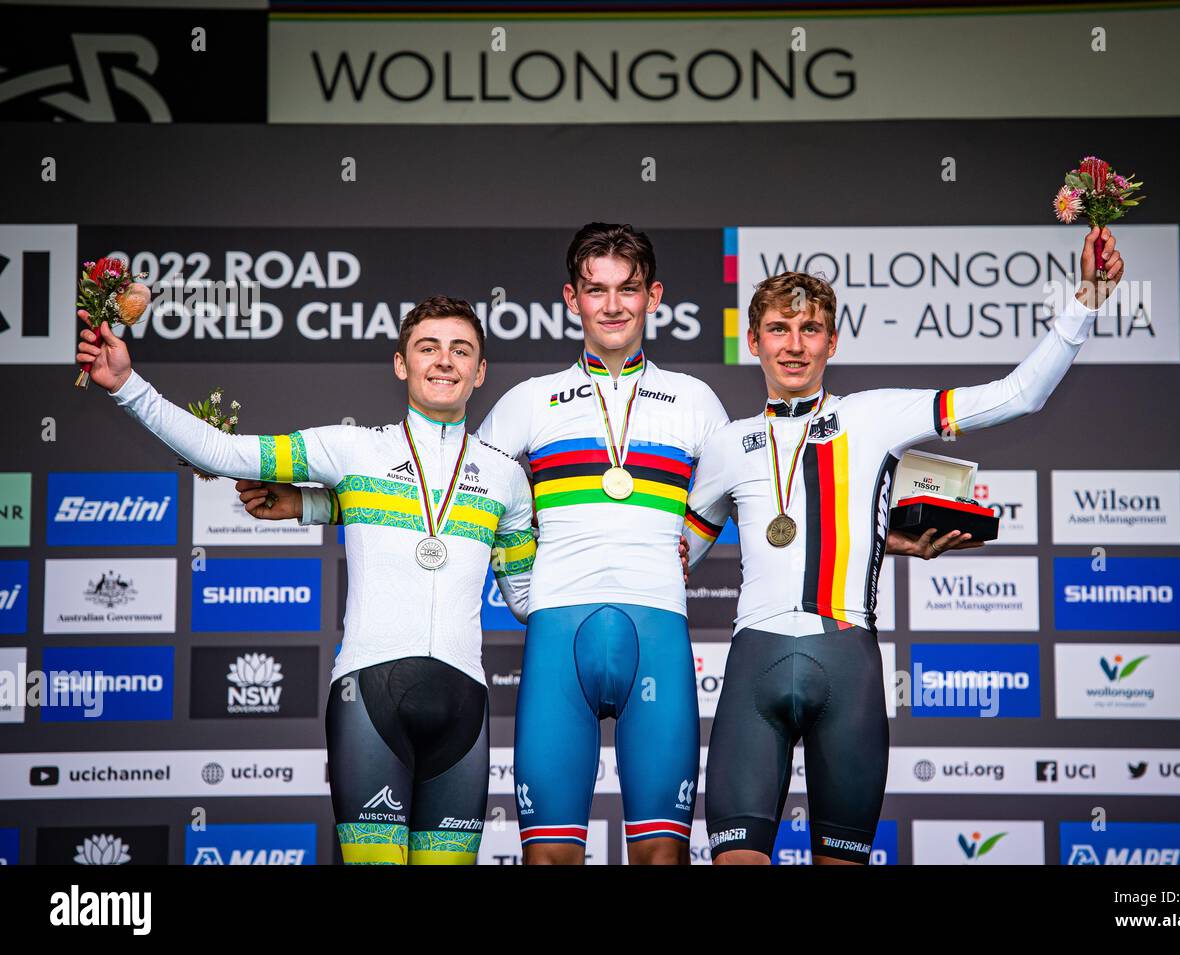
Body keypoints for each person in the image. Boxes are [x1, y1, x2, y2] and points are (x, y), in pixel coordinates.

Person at [249, 222, 975, 865]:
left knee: (662, 853)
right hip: (558, 637)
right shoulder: (527, 401)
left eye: (629, 288)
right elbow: (445, 495)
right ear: (572, 299)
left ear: (653, 295)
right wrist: (317, 502)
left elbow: (771, 498)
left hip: (656, 629)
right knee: (551, 859)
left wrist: (886, 538)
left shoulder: (697, 402)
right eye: (596, 290)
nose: (614, 304)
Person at [683, 226, 1125, 865]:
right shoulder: (727, 445)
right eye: (779, 329)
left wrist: (1085, 300)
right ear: (752, 341)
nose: (794, 345)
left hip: (848, 666)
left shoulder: (875, 414)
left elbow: (1019, 395)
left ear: (833, 342)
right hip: (755, 660)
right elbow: (674, 562)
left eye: (810, 331)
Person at [76, 295, 536, 866]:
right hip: (370, 700)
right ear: (401, 363)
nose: (444, 361)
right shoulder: (352, 450)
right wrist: (127, 385)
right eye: (428, 348)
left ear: (480, 371)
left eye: (460, 350)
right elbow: (226, 451)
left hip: (464, 706)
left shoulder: (507, 479)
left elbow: (525, 598)